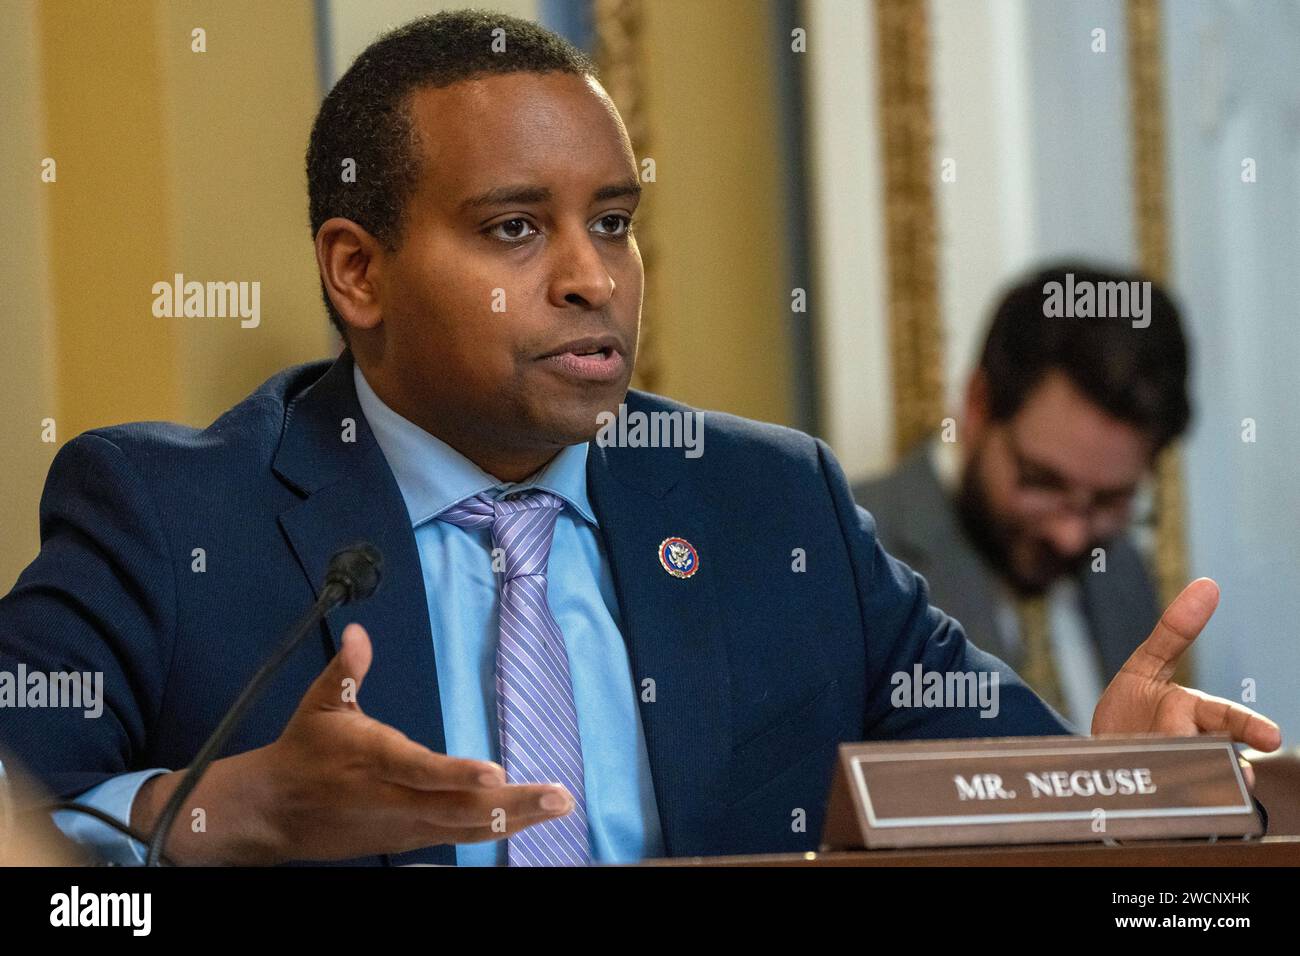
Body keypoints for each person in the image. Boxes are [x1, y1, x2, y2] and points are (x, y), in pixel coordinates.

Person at [0, 11, 1279, 867]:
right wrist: (223, 811)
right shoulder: (174, 519)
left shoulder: (771, 506)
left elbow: (994, 812)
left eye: (612, 222)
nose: (591, 278)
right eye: (514, 228)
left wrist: (1107, 787)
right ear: (358, 270)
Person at [854, 265, 1185, 728]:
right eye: (1043, 482)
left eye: (1111, 500)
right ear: (977, 406)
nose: (1071, 536)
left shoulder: (1122, 569)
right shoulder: (849, 556)